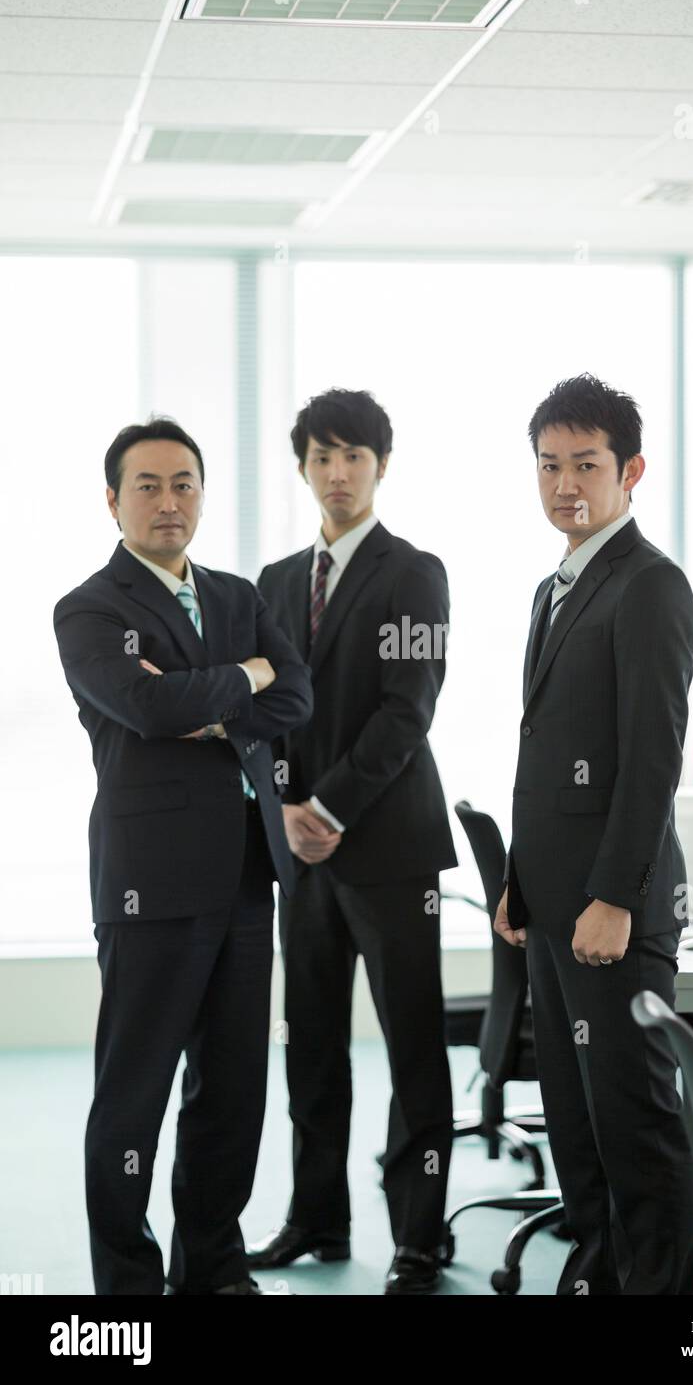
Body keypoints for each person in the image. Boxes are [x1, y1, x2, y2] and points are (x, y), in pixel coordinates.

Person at [53, 416, 313, 1295]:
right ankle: (127, 1283)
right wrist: (246, 680)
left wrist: (208, 696)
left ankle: (215, 1266)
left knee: (232, 1088)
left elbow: (299, 696)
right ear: (114, 500)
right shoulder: (90, 608)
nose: (170, 502)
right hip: (151, 881)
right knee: (136, 1089)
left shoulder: (239, 595)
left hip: (246, 871)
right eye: (149, 486)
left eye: (185, 484)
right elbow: (148, 710)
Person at [494, 374, 693, 1295]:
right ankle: (600, 1280)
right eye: (548, 464)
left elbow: (652, 759)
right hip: (553, 905)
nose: (563, 483)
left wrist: (615, 895)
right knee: (575, 1124)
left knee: (632, 1124)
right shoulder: (555, 585)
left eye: (585, 464)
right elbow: (544, 748)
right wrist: (518, 880)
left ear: (632, 471)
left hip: (614, 909)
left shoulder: (651, 587)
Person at [249, 388, 456, 1295]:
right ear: (302, 466)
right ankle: (317, 1218)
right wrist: (286, 808)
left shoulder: (417, 573)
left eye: (355, 457)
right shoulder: (274, 582)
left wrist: (325, 808)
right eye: (323, 456)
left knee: (412, 1044)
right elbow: (264, 714)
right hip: (300, 855)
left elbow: (406, 712)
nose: (338, 473)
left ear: (381, 466)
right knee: (312, 1043)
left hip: (389, 847)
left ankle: (420, 1235)